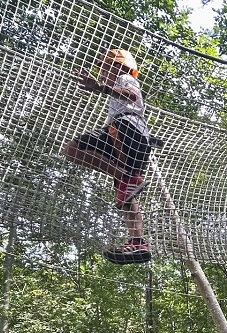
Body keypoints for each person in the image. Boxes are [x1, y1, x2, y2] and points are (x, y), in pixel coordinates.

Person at [63, 48, 164, 260]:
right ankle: (138, 242)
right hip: (136, 140)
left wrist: (103, 88)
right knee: (128, 195)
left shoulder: (124, 77)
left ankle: (125, 177)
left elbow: (133, 96)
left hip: (128, 131)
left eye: (105, 68)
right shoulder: (117, 84)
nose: (102, 73)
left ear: (118, 66)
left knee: (72, 149)